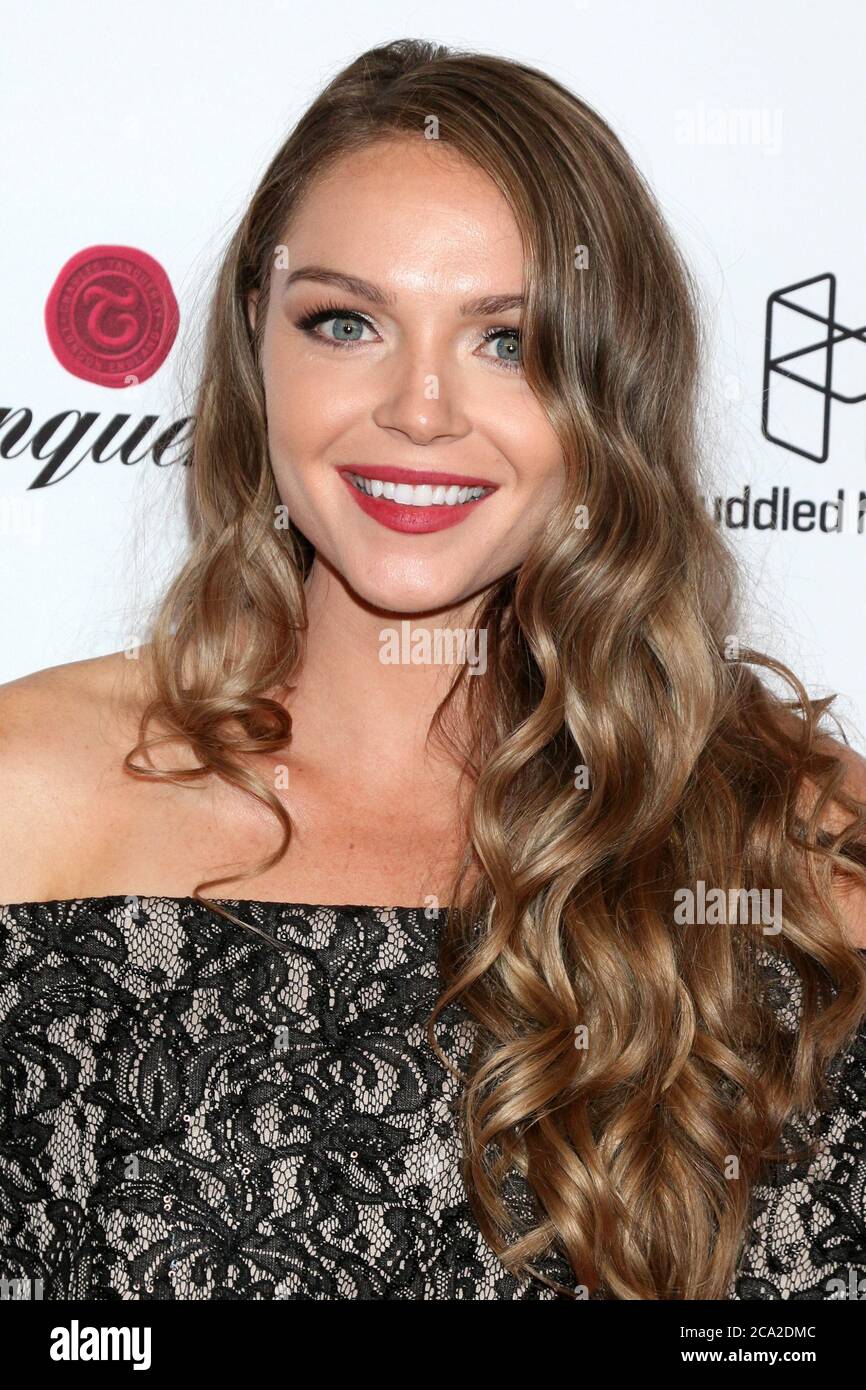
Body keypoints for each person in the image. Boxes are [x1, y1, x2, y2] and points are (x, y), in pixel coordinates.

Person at [1, 37, 865, 1302]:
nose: (417, 408)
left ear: (607, 388)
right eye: (344, 322)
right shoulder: (27, 794)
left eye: (505, 342)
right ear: (258, 340)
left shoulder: (796, 839)